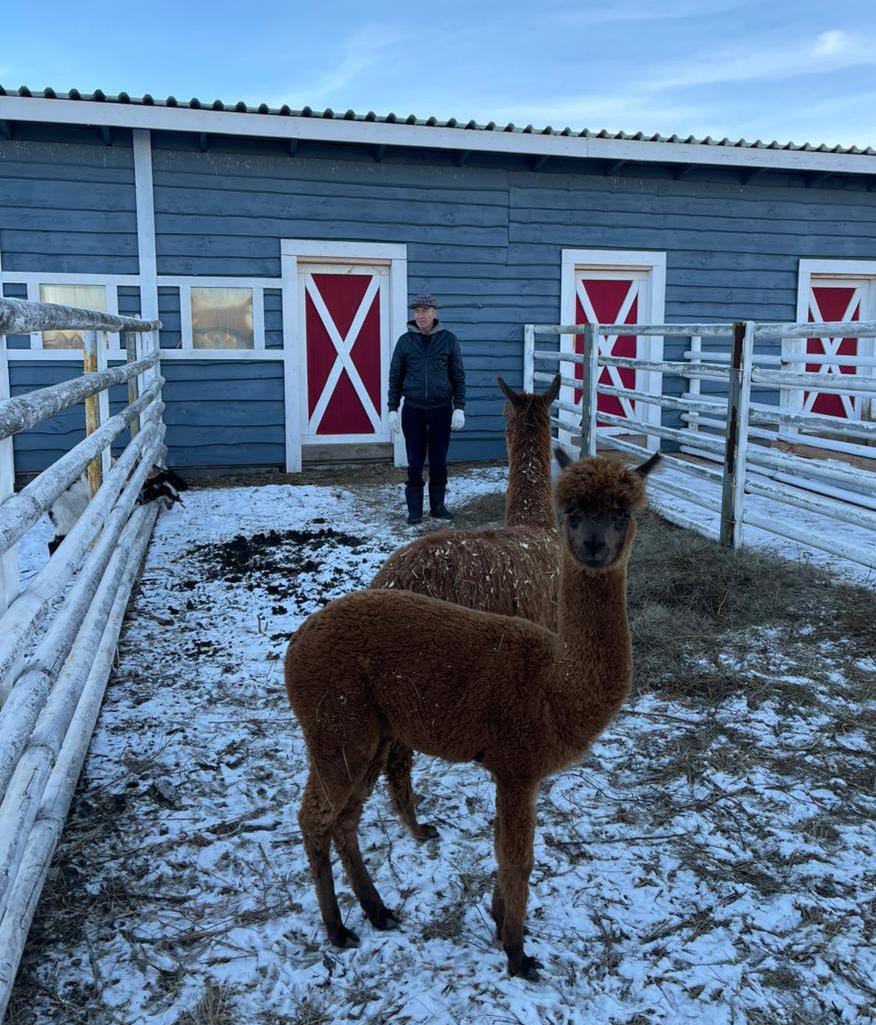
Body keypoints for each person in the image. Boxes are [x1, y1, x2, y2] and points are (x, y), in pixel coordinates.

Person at [387, 293, 466, 525]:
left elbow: (458, 377)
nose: (420, 316)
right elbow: (395, 377)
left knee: (439, 461)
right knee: (415, 462)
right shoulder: (405, 342)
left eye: (425, 311)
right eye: (417, 311)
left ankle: (438, 507)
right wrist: (392, 408)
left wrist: (459, 407)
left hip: (441, 410)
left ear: (434, 313)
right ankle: (414, 510)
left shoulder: (449, 339)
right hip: (413, 411)